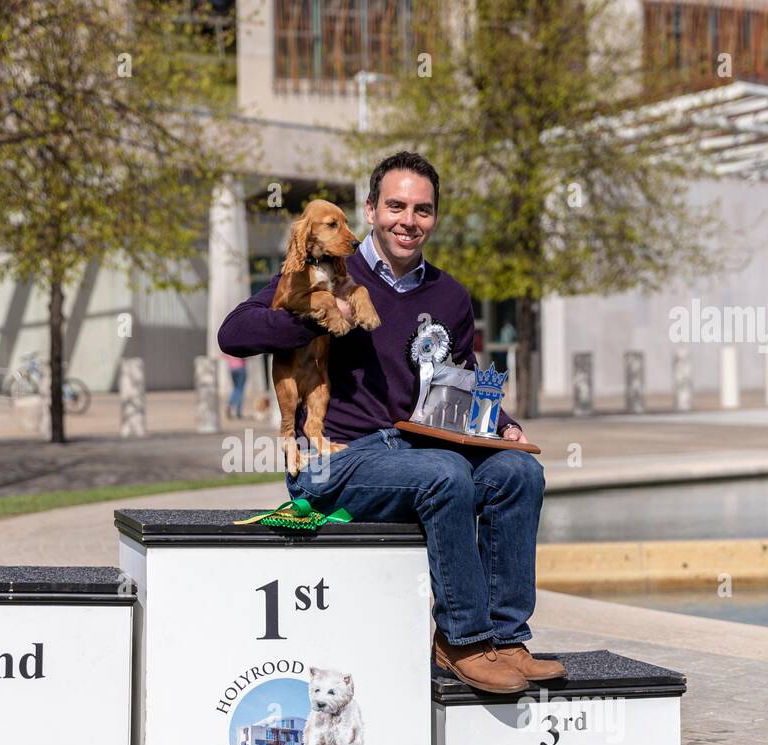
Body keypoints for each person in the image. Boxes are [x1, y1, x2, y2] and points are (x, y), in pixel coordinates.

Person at [217, 151, 564, 693]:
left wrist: (502, 425)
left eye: (422, 209)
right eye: (396, 206)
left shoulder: (450, 295)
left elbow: (457, 375)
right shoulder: (330, 271)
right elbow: (233, 333)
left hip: (415, 451)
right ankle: (461, 641)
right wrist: (318, 317)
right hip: (334, 458)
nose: (409, 220)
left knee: (518, 475)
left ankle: (505, 637)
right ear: (371, 209)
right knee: (447, 473)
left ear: (435, 217)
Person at [223, 352, 247, 419]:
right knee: (240, 390)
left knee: (236, 388)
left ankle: (229, 404)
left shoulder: (229, 344)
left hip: (232, 369)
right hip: (240, 368)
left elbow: (224, 355)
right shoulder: (240, 343)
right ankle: (238, 412)